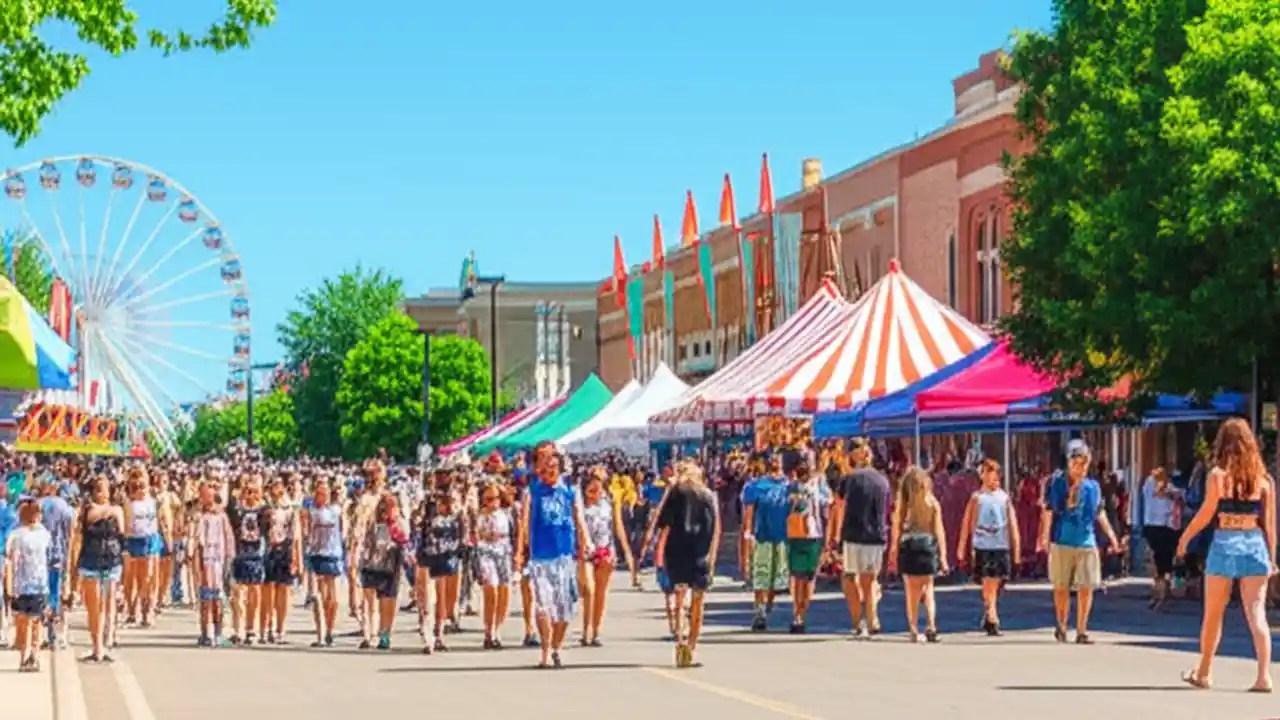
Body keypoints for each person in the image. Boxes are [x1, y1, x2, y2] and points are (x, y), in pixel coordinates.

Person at [1176, 418, 1275, 692]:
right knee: (1257, 614)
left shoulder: (1218, 476)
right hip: (1254, 543)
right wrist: (1272, 558)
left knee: (1213, 613)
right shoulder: (1265, 480)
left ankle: (1205, 671)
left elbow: (1207, 513)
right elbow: (1269, 525)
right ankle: (1264, 676)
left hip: (1225, 543)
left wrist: (1185, 539)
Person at [515, 440, 589, 669]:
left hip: (565, 556)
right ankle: (546, 650)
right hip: (541, 558)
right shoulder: (532, 492)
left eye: (553, 468)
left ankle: (557, 645)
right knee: (543, 605)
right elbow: (524, 523)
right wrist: (520, 552)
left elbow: (579, 519)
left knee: (565, 609)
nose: (548, 473)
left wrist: (585, 541)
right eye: (544, 469)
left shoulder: (569, 491)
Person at [1039, 439, 1121, 644]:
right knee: (1061, 586)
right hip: (1062, 541)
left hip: (1086, 541)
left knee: (1086, 586)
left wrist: (1112, 537)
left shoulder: (1093, 487)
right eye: (1076, 463)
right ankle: (1062, 624)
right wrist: (1044, 537)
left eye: (1084, 463)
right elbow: (1049, 510)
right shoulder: (1058, 482)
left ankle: (1082, 629)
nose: (1080, 467)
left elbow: (1099, 513)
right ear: (1068, 462)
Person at [827, 438, 890, 637]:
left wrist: (833, 537)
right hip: (876, 535)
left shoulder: (849, 479)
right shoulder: (883, 481)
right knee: (870, 580)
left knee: (849, 578)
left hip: (853, 534)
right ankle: (873, 620)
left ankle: (857, 621)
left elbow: (838, 507)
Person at [957, 458, 1019, 635]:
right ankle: (993, 616)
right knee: (987, 580)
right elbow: (968, 522)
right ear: (982, 476)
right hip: (983, 545)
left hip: (1001, 545)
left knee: (997, 581)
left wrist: (1017, 549)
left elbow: (1012, 523)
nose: (993, 479)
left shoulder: (1004, 498)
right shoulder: (977, 498)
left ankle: (989, 610)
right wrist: (963, 547)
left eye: (995, 475)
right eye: (988, 474)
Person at [888, 466, 949, 643]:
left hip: (909, 546)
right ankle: (931, 625)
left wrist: (893, 553)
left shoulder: (903, 505)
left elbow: (896, 530)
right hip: (927, 546)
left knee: (911, 592)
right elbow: (939, 532)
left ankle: (914, 629)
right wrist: (943, 557)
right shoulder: (932, 503)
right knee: (928, 589)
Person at [578, 466, 633, 646]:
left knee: (601, 593)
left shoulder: (610, 502)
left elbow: (618, 527)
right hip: (585, 552)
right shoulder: (579, 504)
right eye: (591, 489)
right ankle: (585, 629)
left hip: (606, 549)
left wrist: (627, 552)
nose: (595, 493)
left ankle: (596, 631)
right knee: (589, 590)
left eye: (598, 489)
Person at [71, 475, 123, 663]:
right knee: (94, 607)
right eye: (99, 489)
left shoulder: (117, 509)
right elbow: (78, 536)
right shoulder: (86, 511)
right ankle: (97, 646)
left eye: (106, 489)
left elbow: (122, 533)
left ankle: (107, 640)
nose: (103, 493)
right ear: (92, 492)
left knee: (108, 604)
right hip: (91, 560)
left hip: (112, 559)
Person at [741, 452, 790, 631]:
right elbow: (748, 515)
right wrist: (747, 536)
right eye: (773, 459)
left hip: (783, 539)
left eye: (778, 459)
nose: (775, 462)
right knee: (761, 577)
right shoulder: (755, 486)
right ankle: (760, 611)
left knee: (776, 581)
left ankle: (767, 605)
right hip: (762, 537)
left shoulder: (789, 486)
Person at [415, 490, 466, 653]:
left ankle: (439, 633)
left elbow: (461, 540)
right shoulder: (427, 514)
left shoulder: (457, 517)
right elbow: (418, 532)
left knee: (443, 599)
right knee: (428, 598)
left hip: (446, 559)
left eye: (447, 501)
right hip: (427, 558)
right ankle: (428, 636)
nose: (444, 505)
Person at [355, 493, 408, 650]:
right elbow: (364, 541)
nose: (388, 509)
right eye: (385, 505)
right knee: (370, 601)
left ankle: (385, 634)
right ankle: (370, 633)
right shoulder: (373, 522)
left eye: (392, 506)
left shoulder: (401, 523)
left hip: (391, 567)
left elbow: (406, 542)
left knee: (387, 602)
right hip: (371, 565)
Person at [5, 499, 51, 672]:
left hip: (35, 584)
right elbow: (11, 561)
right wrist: (11, 584)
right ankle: (27, 655)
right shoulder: (18, 535)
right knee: (27, 622)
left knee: (33, 622)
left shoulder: (42, 534)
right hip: (25, 585)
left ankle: (32, 656)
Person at [784, 458, 829, 633]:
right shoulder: (819, 485)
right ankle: (800, 613)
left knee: (799, 576)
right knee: (807, 577)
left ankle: (798, 614)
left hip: (798, 535)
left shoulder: (791, 487)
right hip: (811, 535)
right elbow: (828, 508)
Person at [191, 480, 234, 647]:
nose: (206, 499)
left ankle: (218, 631)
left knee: (218, 599)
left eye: (209, 495)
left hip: (218, 560)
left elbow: (229, 538)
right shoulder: (198, 516)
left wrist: (229, 559)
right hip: (204, 559)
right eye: (203, 495)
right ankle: (205, 632)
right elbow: (194, 539)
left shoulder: (221, 516)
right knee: (205, 599)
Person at [302, 478, 343, 648]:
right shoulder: (310, 510)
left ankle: (330, 631)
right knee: (318, 595)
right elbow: (305, 531)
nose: (322, 496)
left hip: (333, 554)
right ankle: (320, 632)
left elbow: (343, 530)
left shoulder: (336, 510)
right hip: (315, 553)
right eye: (319, 493)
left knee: (332, 599)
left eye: (325, 493)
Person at [473, 481, 514, 649]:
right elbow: (473, 534)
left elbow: (515, 533)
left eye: (494, 498)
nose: (491, 503)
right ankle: (489, 631)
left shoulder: (507, 514)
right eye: (487, 499)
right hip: (485, 553)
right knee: (491, 589)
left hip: (504, 553)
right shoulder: (478, 515)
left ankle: (497, 628)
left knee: (504, 591)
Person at [227, 478, 267, 644]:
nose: (250, 495)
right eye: (247, 491)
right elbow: (228, 505)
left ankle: (252, 628)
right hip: (240, 553)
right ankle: (239, 628)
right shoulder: (237, 511)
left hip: (257, 554)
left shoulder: (264, 511)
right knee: (238, 593)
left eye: (254, 492)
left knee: (254, 593)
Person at [262, 477, 302, 644]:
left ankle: (280, 628)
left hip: (285, 550)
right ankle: (267, 627)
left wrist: (297, 558)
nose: (276, 489)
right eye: (273, 486)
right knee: (268, 591)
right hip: (269, 551)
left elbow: (296, 536)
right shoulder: (266, 507)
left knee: (283, 592)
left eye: (279, 485)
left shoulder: (290, 509)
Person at [38, 477, 73, 649]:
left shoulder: (38, 504)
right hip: (58, 554)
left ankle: (47, 633)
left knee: (44, 593)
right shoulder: (64, 507)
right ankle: (57, 634)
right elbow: (70, 532)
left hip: (40, 556)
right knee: (56, 593)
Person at [122, 468, 160, 627]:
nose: (140, 485)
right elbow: (126, 524)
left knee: (149, 577)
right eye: (135, 479)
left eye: (142, 479)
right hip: (133, 540)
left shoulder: (153, 499)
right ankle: (132, 609)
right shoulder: (128, 502)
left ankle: (147, 609)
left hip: (151, 538)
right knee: (132, 578)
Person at [1141, 467, 1182, 611]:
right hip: (1166, 528)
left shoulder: (1150, 484)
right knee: (1164, 563)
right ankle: (1162, 592)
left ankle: (1159, 592)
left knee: (1154, 561)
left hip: (1155, 527)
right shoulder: (1168, 488)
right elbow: (1179, 496)